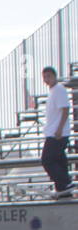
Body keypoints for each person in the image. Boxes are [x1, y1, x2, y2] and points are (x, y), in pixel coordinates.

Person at [41, 66, 72, 198]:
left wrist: (59, 129)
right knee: (59, 160)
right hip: (54, 132)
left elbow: (65, 109)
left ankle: (65, 183)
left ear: (55, 76)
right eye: (44, 77)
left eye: (49, 76)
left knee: (47, 160)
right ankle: (63, 189)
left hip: (57, 134)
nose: (47, 79)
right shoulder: (53, 91)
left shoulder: (59, 89)